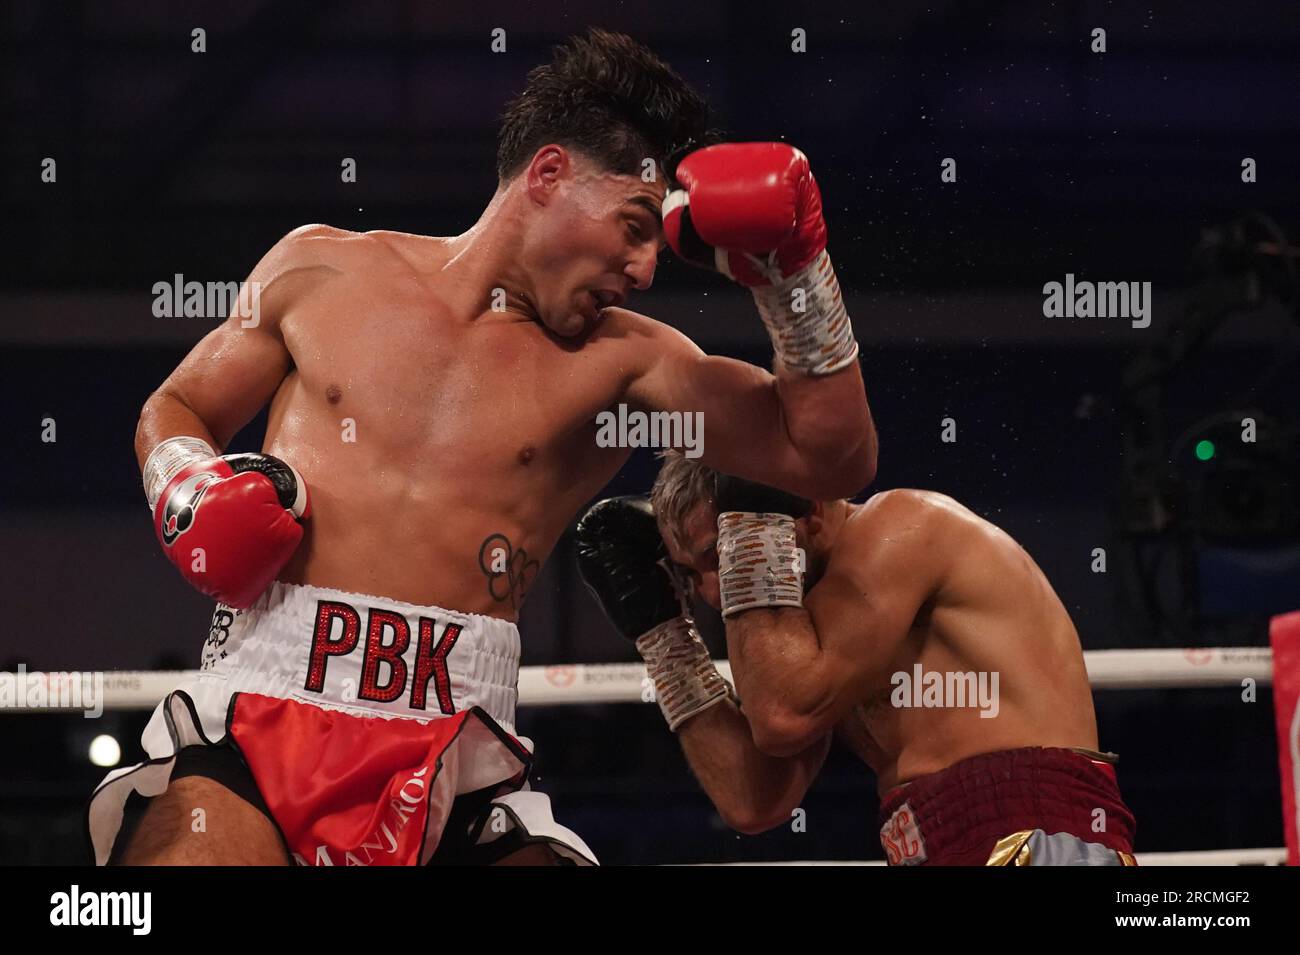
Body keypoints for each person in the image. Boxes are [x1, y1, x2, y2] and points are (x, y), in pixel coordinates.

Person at [88, 29, 877, 866]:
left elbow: (828, 456)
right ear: (548, 175)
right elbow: (176, 405)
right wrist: (189, 488)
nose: (646, 269)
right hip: (258, 715)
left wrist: (799, 277)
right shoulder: (321, 270)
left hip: (459, 752)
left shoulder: (625, 363)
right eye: (635, 226)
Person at [575, 454, 1136, 865]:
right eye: (691, 575)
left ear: (808, 511)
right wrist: (664, 633)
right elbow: (752, 799)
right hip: (932, 843)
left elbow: (780, 717)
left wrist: (750, 537)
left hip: (1032, 837)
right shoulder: (814, 634)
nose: (715, 594)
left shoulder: (904, 524)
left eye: (722, 556)